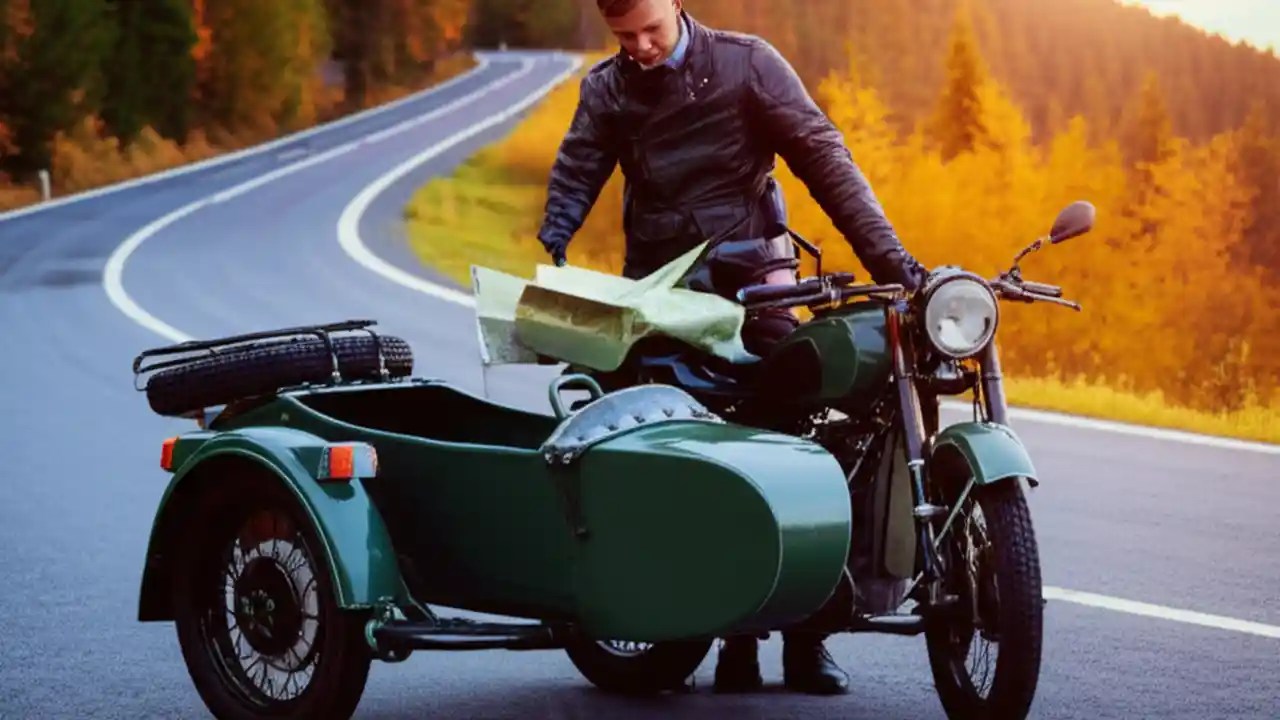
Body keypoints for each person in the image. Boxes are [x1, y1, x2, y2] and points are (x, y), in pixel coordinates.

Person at [535, 0, 928, 696]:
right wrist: (555, 243)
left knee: (809, 422)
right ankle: (727, 636)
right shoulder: (607, 88)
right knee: (683, 452)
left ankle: (808, 642)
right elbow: (577, 168)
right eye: (626, 37)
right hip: (663, 297)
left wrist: (896, 264)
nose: (643, 47)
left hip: (757, 286)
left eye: (651, 30)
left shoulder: (750, 65)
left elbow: (824, 158)